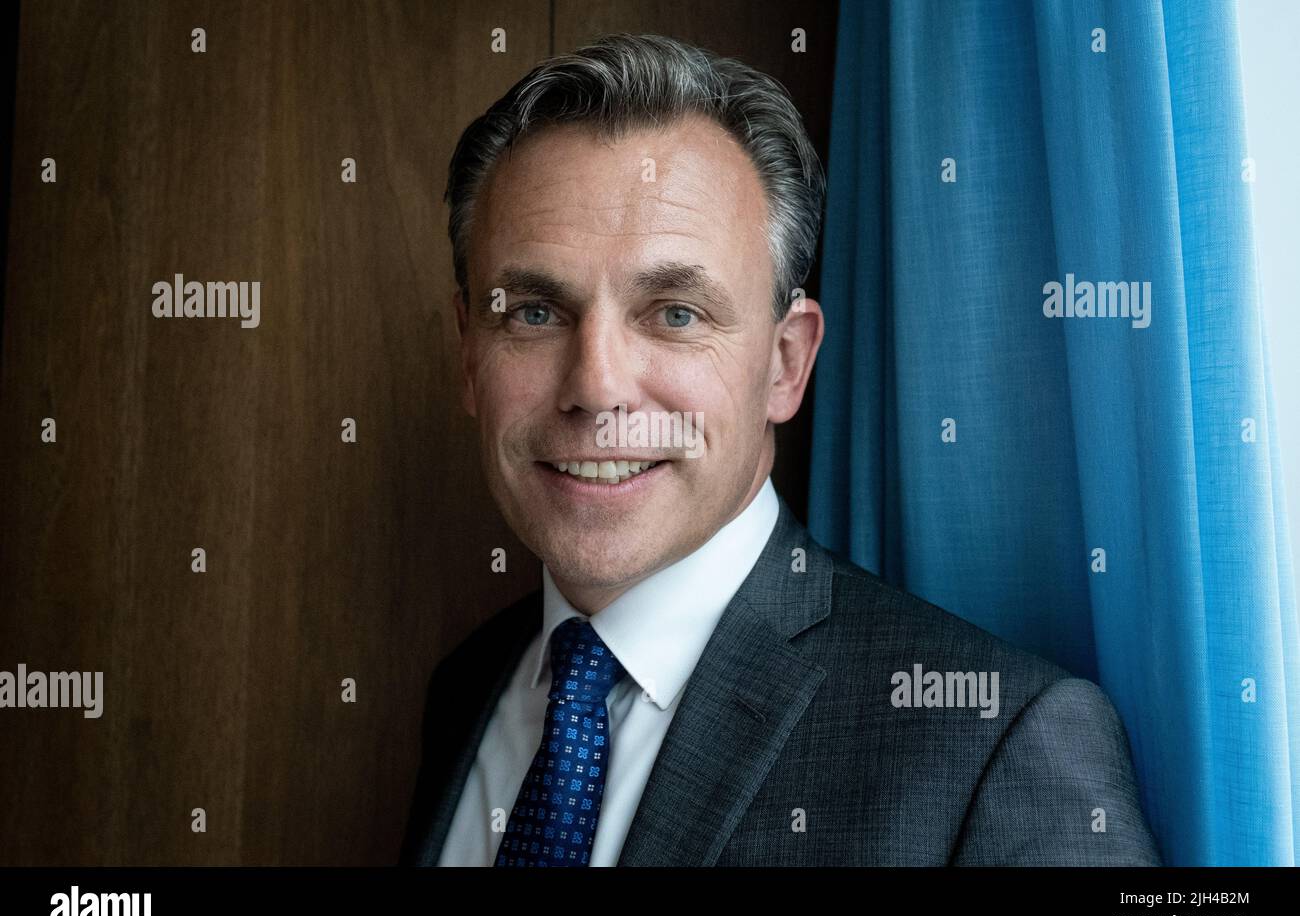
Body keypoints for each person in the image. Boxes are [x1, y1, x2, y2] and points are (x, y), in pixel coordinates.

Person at [399, 33, 1161, 866]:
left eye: (676, 313)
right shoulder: (467, 689)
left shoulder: (996, 746)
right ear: (469, 353)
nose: (597, 387)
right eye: (537, 312)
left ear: (785, 364)